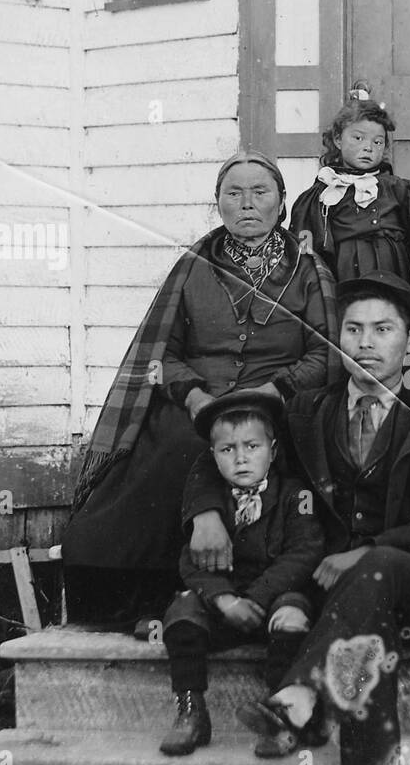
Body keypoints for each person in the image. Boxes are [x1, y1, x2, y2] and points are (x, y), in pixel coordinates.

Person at [186, 271, 410, 765]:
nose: (365, 343)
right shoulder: (307, 412)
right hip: (333, 593)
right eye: (352, 329)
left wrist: (373, 549)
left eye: (382, 329)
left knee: (378, 569)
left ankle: (304, 690)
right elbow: (227, 439)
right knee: (365, 622)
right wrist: (205, 509)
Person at [62, 151, 336, 625]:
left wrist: (274, 393)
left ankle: (269, 593)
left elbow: (324, 354)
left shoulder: (308, 271)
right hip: (198, 402)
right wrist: (194, 396)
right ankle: (156, 603)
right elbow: (160, 355)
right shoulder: (192, 267)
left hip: (279, 405)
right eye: (234, 193)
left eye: (260, 192)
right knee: (170, 451)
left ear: (282, 202)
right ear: (218, 204)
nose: (247, 204)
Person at [159, 390, 324, 758]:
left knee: (294, 614)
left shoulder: (296, 495)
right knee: (183, 610)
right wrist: (224, 599)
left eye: (252, 446)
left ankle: (282, 716)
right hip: (226, 603)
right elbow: (191, 558)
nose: (241, 459)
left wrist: (256, 597)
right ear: (213, 455)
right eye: (227, 450)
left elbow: (304, 552)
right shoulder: (209, 501)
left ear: (274, 450)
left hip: (276, 596)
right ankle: (191, 712)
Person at [289, 94, 410, 281]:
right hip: (344, 270)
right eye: (358, 138)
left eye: (377, 142)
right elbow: (305, 236)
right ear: (338, 140)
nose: (368, 147)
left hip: (393, 266)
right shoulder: (324, 193)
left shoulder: (395, 187)